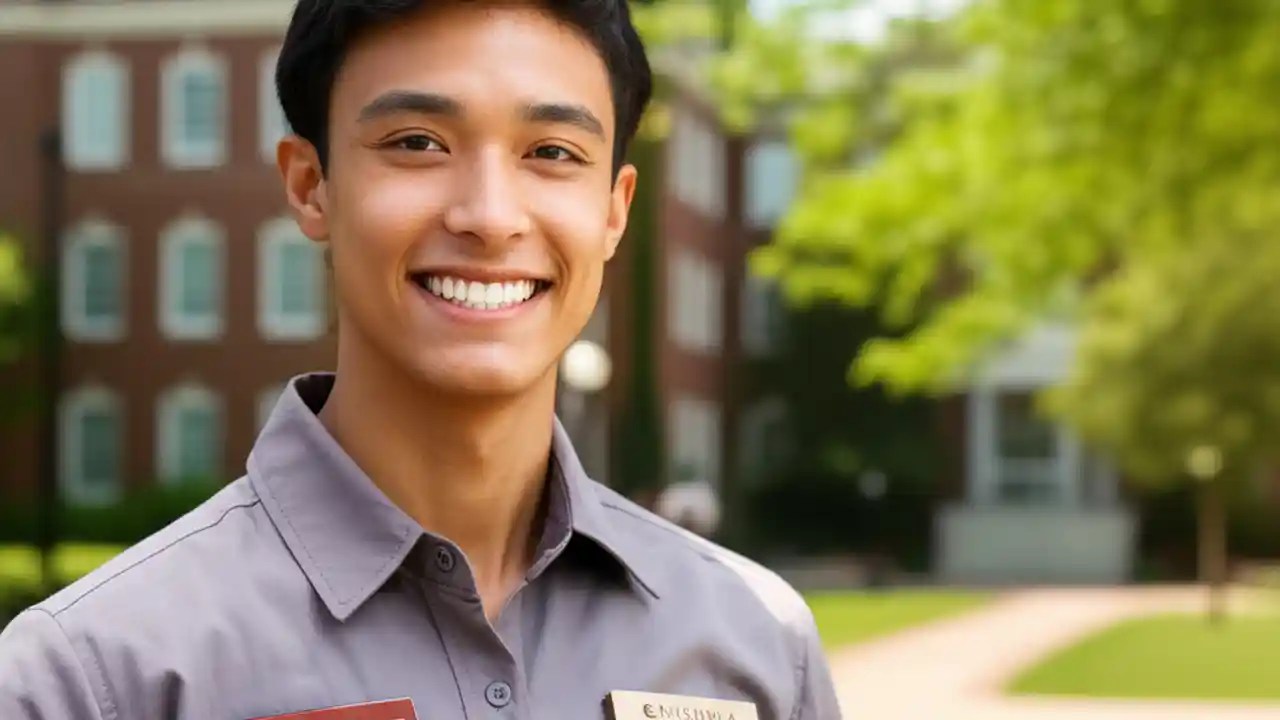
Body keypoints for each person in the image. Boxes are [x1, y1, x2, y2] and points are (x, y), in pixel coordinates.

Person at [0, 1, 841, 718]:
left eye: (552, 152)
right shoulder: (96, 677)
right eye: (418, 142)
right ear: (310, 185)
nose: (490, 216)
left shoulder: (754, 642)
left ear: (614, 211)